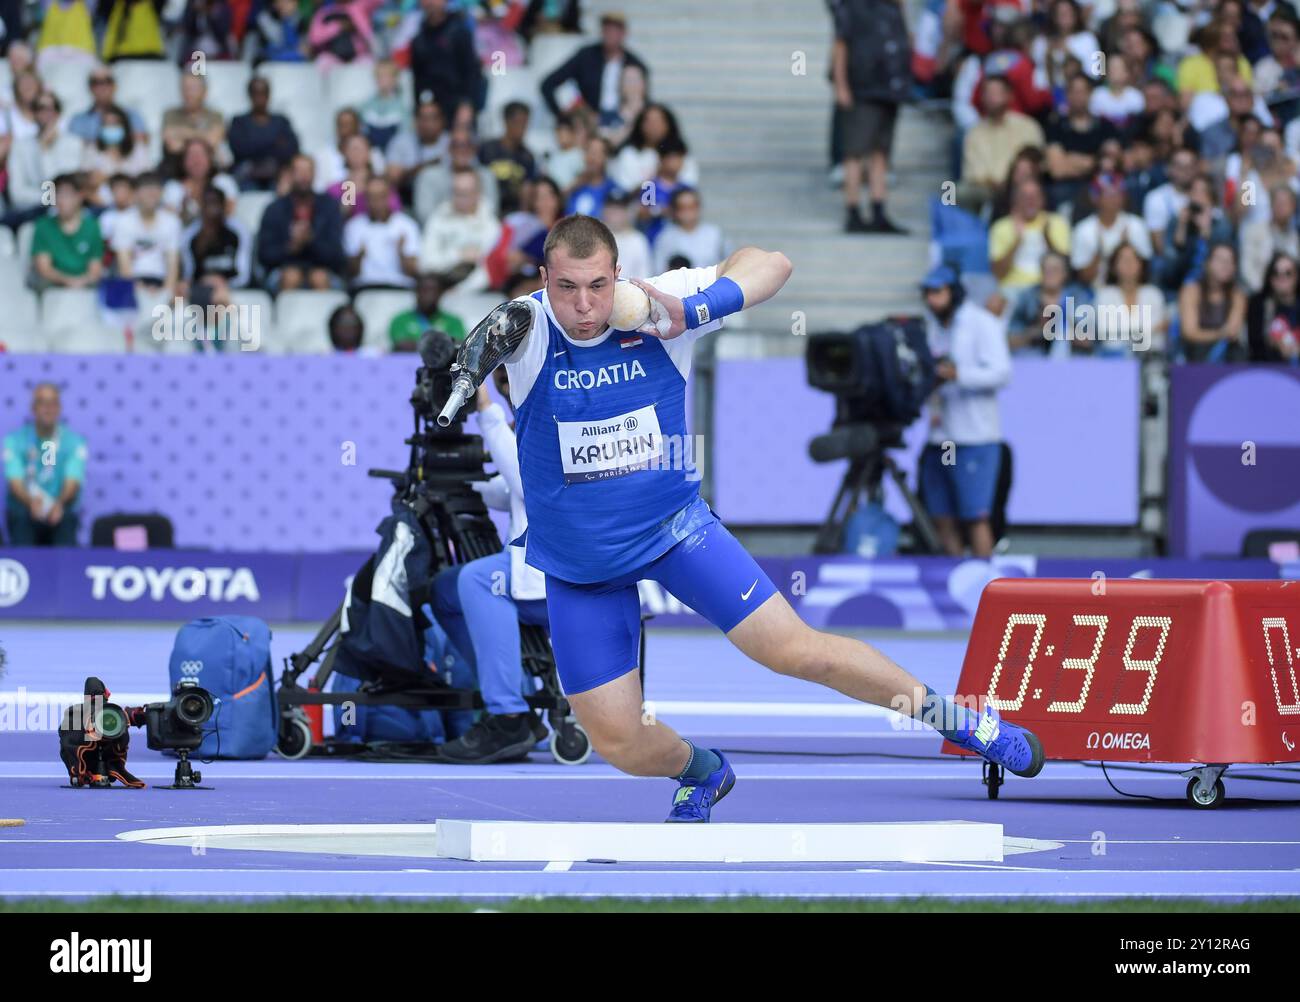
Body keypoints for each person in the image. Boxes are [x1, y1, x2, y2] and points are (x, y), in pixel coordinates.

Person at [442, 215, 1044, 821]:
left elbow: (772, 261)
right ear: (544, 279)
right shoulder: (526, 328)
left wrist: (693, 312)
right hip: (578, 566)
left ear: (617, 275)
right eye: (566, 287)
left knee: (796, 651)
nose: (583, 305)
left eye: (597, 285)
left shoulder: (658, 304)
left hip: (674, 533)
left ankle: (965, 721)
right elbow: (484, 339)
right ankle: (703, 770)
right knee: (618, 742)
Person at [432, 367, 550, 763]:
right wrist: (461, 486)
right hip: (534, 562)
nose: (506, 393)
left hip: (558, 575)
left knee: (479, 581)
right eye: (499, 387)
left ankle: (508, 716)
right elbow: (509, 493)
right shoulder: (533, 420)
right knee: (445, 590)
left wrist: (483, 405)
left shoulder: (558, 416)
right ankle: (507, 688)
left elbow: (527, 484)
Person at [917, 265, 1012, 555]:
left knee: (976, 516)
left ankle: (984, 587)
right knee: (941, 518)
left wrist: (959, 375)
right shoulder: (932, 327)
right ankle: (954, 585)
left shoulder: (981, 322)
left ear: (953, 293)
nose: (932, 300)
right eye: (928, 294)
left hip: (975, 438)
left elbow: (1002, 373)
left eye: (938, 293)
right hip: (940, 437)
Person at [832, 0, 911, 234]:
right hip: (862, 89)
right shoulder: (853, 7)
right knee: (855, 152)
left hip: (888, 89)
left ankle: (878, 209)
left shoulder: (893, 8)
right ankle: (853, 210)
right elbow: (840, 45)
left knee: (881, 153)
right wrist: (841, 85)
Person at [3, 383, 87, 547]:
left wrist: (58, 503)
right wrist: (31, 502)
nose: (48, 409)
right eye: (42, 403)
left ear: (60, 408)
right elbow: (15, 482)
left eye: (53, 403)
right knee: (19, 515)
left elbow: (73, 480)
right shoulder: (14, 440)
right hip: (26, 509)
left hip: (60, 509)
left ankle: (66, 569)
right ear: (33, 408)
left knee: (67, 516)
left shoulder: (74, 442)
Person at [539, 11, 648, 127]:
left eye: (615, 30)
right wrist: (562, 116)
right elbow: (548, 84)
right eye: (607, 30)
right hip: (591, 122)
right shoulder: (586, 57)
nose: (611, 34)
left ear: (623, 33)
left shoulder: (635, 64)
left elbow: (640, 101)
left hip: (625, 122)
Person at [256, 153, 346, 291]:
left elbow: (337, 256)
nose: (303, 176)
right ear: (290, 174)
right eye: (299, 171)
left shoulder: (329, 207)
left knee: (319, 277)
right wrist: (291, 247)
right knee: (291, 276)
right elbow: (264, 255)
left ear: (314, 174)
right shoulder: (274, 209)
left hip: (322, 268)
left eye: (308, 171)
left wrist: (311, 241)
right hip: (283, 268)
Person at [959, 74, 1045, 216]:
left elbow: (1037, 163)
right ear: (982, 98)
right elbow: (973, 174)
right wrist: (998, 182)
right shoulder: (973, 133)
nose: (992, 98)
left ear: (1009, 96)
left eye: (997, 92)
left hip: (1022, 186)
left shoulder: (1028, 126)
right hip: (987, 190)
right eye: (988, 93)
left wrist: (1015, 181)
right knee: (958, 191)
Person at [4, 91, 83, 231]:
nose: (46, 114)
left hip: (64, 211)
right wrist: (49, 198)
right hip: (32, 211)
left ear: (58, 114)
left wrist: (45, 152)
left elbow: (66, 187)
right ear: (33, 114)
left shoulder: (73, 144)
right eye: (40, 108)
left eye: (50, 109)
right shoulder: (20, 147)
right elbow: (17, 193)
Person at [1069, 171, 1153, 285]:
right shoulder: (1083, 230)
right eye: (1109, 194)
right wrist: (1099, 253)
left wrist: (1126, 249)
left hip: (1129, 288)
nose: (1114, 199)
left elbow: (1145, 271)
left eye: (1118, 193)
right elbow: (1083, 277)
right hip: (1093, 291)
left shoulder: (1136, 225)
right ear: (1096, 198)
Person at [989, 178, 1071, 292]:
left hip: (1048, 289)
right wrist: (1016, 241)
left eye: (1035, 196)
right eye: (1025, 197)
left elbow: (1066, 269)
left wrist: (1047, 238)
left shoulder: (1057, 223)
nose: (1030, 201)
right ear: (1016, 200)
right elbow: (998, 273)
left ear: (1042, 200)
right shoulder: (1001, 227)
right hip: (1013, 288)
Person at [408, 0, 481, 125]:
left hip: (459, 107)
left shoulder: (459, 32)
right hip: (432, 111)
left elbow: (472, 72)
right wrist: (419, 110)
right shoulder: (418, 38)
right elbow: (417, 80)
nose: (430, 3)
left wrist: (467, 105)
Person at [343, 175, 421, 290]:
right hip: (365, 288)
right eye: (372, 197)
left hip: (399, 287)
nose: (376, 202)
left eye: (381, 197)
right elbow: (350, 273)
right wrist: (359, 256)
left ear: (390, 196)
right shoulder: (354, 226)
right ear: (365, 199)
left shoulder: (407, 225)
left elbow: (413, 273)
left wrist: (401, 253)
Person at [30, 173, 104, 290]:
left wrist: (81, 282)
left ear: (79, 196)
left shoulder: (93, 227)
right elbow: (44, 268)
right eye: (56, 194)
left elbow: (95, 269)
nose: (60, 200)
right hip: (52, 289)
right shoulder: (43, 226)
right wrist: (69, 282)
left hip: (85, 289)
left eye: (66, 194)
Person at [1177, 241, 1248, 362]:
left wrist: (1210, 334)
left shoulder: (1238, 294)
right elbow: (1189, 332)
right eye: (1220, 260)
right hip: (1195, 353)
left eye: (1230, 261)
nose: (1225, 265)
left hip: (1226, 354)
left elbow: (1232, 332)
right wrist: (1219, 334)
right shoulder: (1191, 290)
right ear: (1207, 263)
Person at [227, 76, 300, 191]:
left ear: (269, 95)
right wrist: (274, 143)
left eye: (263, 93)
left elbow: (292, 149)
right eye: (255, 93)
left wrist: (254, 143)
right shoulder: (239, 122)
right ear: (249, 95)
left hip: (276, 175)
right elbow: (239, 149)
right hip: (247, 177)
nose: (260, 97)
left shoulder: (281, 121)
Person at [478, 100, 537, 215]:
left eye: (525, 123)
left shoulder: (527, 157)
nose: (522, 129)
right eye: (518, 123)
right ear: (506, 122)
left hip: (513, 214)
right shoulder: (487, 149)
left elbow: (527, 190)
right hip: (486, 211)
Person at [652, 187, 729, 274]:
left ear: (699, 207)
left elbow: (727, 264)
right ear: (674, 210)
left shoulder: (714, 234)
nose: (687, 212)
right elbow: (658, 270)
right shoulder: (665, 237)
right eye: (682, 207)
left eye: (692, 207)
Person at [1240, 184, 1300, 290]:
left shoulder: (1296, 236)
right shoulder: (1253, 231)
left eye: (1285, 203)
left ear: (1293, 207)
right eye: (1278, 203)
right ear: (1271, 205)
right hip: (1259, 293)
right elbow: (1247, 269)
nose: (1281, 207)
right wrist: (1264, 291)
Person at [388, 271, 466, 351]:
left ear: (441, 293)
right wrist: (442, 344)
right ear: (416, 292)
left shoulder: (453, 321)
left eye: (433, 290)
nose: (428, 295)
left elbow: (458, 344)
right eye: (424, 290)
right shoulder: (400, 319)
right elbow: (402, 345)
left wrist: (419, 344)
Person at [1246, 251, 1300, 362]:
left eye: (1288, 273)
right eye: (1276, 273)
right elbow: (1255, 343)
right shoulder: (1258, 303)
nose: (1282, 277)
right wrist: (1275, 344)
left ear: (1297, 277)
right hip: (1268, 370)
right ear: (1270, 278)